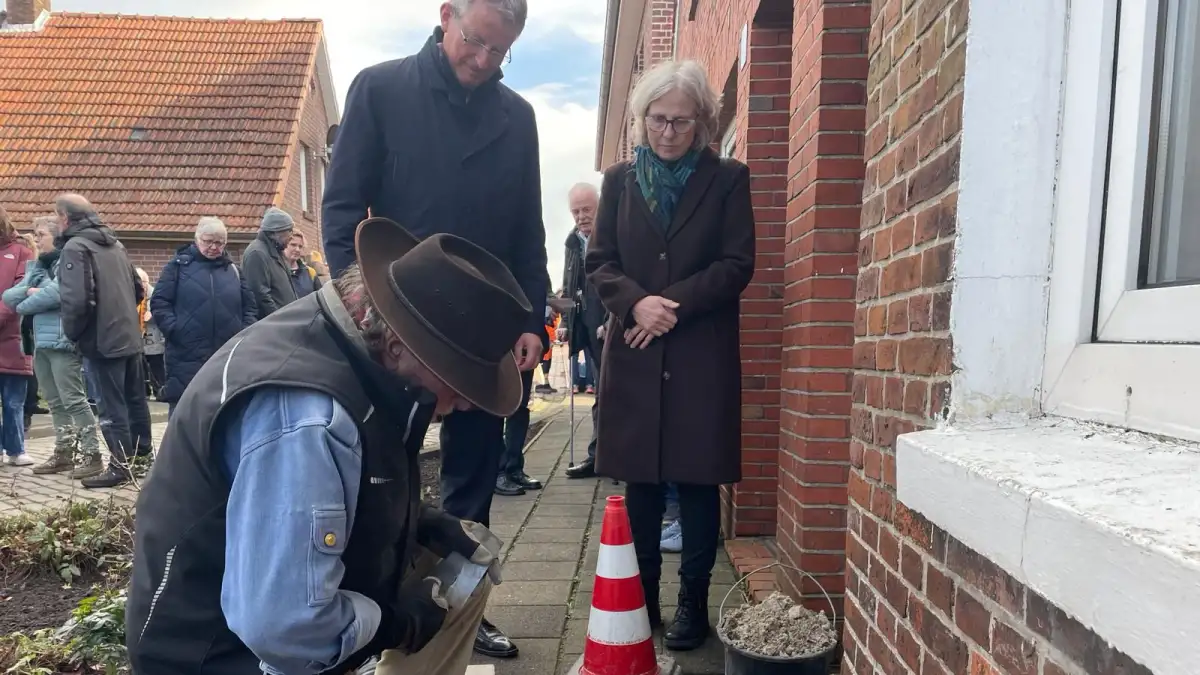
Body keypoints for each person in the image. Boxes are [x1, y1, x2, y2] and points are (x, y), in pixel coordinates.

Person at [126, 217, 531, 675]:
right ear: (400, 345)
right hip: (221, 658)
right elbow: (284, 627)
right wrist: (392, 626)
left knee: (461, 566)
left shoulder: (347, 344)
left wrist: (415, 521)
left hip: (256, 638)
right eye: (458, 379)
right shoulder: (308, 416)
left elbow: (339, 482)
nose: (463, 401)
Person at [321, 0, 545, 658]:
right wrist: (357, 301)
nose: (483, 61)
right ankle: (374, 615)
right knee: (384, 473)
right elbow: (340, 211)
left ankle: (463, 614)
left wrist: (530, 317)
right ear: (446, 15)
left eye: (499, 52)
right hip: (395, 326)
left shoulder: (519, 120)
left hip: (480, 334)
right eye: (474, 42)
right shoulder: (381, 89)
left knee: (472, 483)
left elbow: (527, 231)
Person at [585, 59, 756, 651]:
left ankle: (692, 604)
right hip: (635, 351)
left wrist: (669, 305)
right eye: (658, 120)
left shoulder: (728, 178)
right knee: (642, 482)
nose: (668, 133)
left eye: (681, 122)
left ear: (704, 122)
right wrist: (635, 304)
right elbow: (600, 261)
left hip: (698, 355)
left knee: (698, 478)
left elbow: (738, 264)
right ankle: (643, 598)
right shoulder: (618, 182)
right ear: (641, 119)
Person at [54, 193, 153, 489]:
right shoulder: (116, 245)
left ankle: (120, 467)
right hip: (129, 337)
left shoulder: (76, 248)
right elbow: (138, 288)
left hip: (101, 340)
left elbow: (76, 301)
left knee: (111, 408)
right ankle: (144, 458)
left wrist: (74, 334)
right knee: (136, 400)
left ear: (65, 218)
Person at [2, 216, 102, 477]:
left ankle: (92, 454)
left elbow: (58, 293)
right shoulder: (38, 266)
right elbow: (10, 296)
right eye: (35, 234)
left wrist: (33, 295)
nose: (36, 239)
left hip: (61, 341)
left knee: (74, 400)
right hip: (39, 342)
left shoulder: (66, 263)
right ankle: (63, 452)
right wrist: (33, 294)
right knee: (56, 403)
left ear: (57, 237)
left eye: (41, 234)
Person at [150, 217, 257, 417]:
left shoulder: (233, 271)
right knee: (185, 410)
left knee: (222, 409)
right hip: (186, 353)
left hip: (225, 353)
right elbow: (159, 302)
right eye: (208, 241)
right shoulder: (177, 268)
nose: (214, 247)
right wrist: (176, 329)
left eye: (219, 243)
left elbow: (249, 306)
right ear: (197, 239)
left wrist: (243, 333)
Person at [559, 183, 608, 479]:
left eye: (586, 209)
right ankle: (598, 456)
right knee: (600, 393)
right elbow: (568, 283)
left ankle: (613, 457)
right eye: (576, 211)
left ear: (598, 207)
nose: (581, 217)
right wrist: (565, 322)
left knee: (612, 392)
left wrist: (612, 319)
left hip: (610, 325)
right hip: (586, 325)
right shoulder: (572, 242)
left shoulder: (612, 234)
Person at [0, 206, 33, 467]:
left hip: (12, 339)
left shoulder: (21, 252)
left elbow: (21, 289)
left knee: (13, 402)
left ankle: (15, 449)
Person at [242, 207, 298, 320]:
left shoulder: (276, 252)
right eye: (289, 231)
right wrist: (279, 320)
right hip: (273, 326)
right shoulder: (257, 253)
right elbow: (261, 295)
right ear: (275, 232)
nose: (291, 236)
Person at [284, 230, 323, 299]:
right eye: (293, 245)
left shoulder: (310, 272)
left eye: (300, 246)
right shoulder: (274, 270)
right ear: (284, 245)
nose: (297, 249)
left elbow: (319, 299)